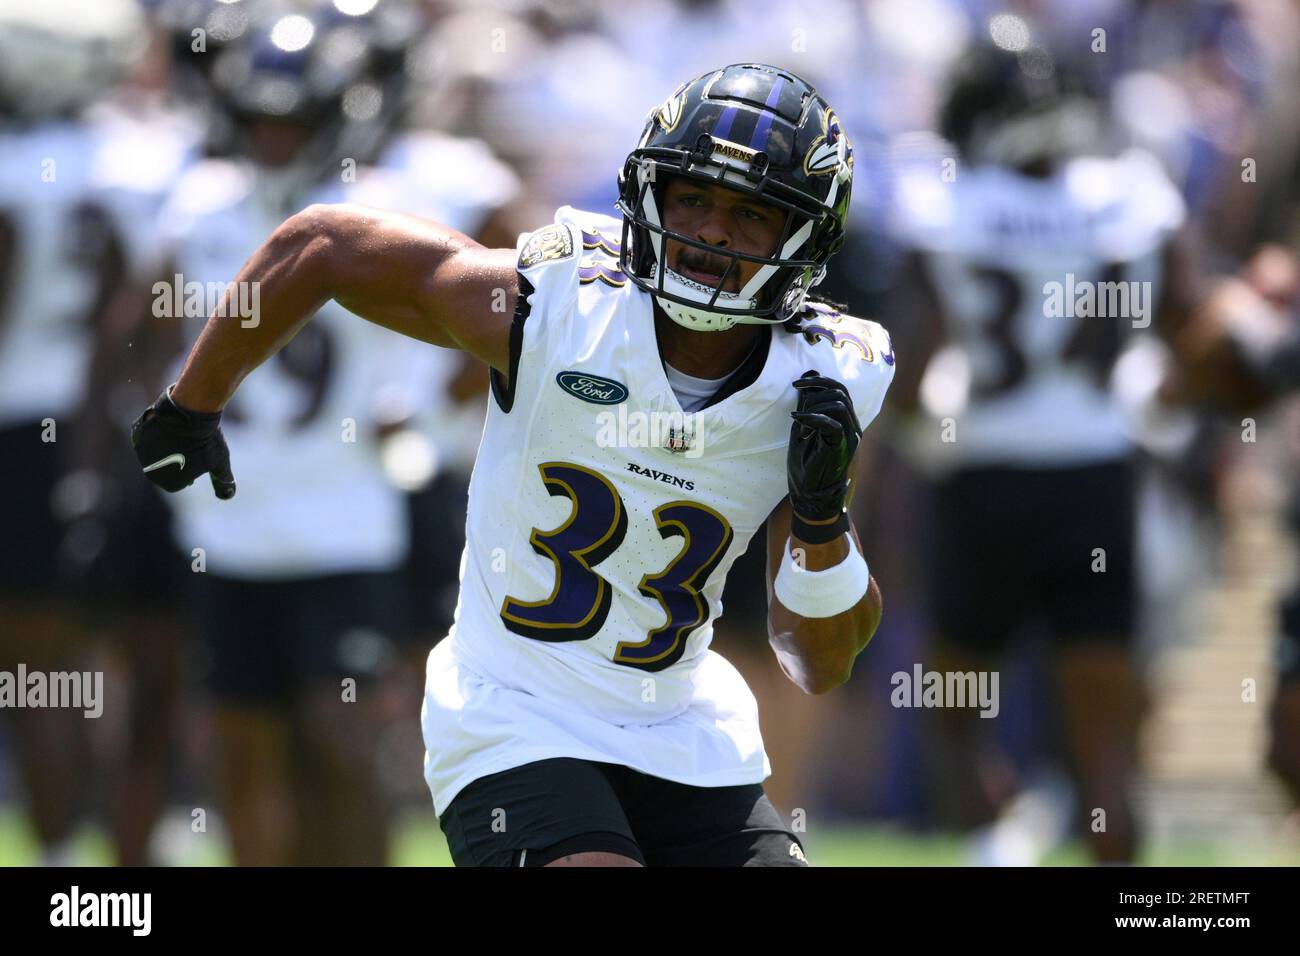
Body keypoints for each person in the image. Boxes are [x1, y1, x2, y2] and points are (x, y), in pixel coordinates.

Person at [131, 62, 895, 867]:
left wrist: (821, 516)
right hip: (516, 713)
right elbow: (324, 243)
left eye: (749, 214)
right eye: (693, 197)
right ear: (649, 194)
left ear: (804, 237)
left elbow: (818, 661)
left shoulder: (826, 375)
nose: (709, 231)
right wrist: (194, 400)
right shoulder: (559, 305)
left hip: (680, 728)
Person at [886, 29, 1196, 863]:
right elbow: (1194, 340)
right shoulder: (1130, 195)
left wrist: (905, 444)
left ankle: (997, 847)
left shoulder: (946, 205)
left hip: (982, 476)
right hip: (1099, 476)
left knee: (952, 718)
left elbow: (913, 379)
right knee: (1103, 746)